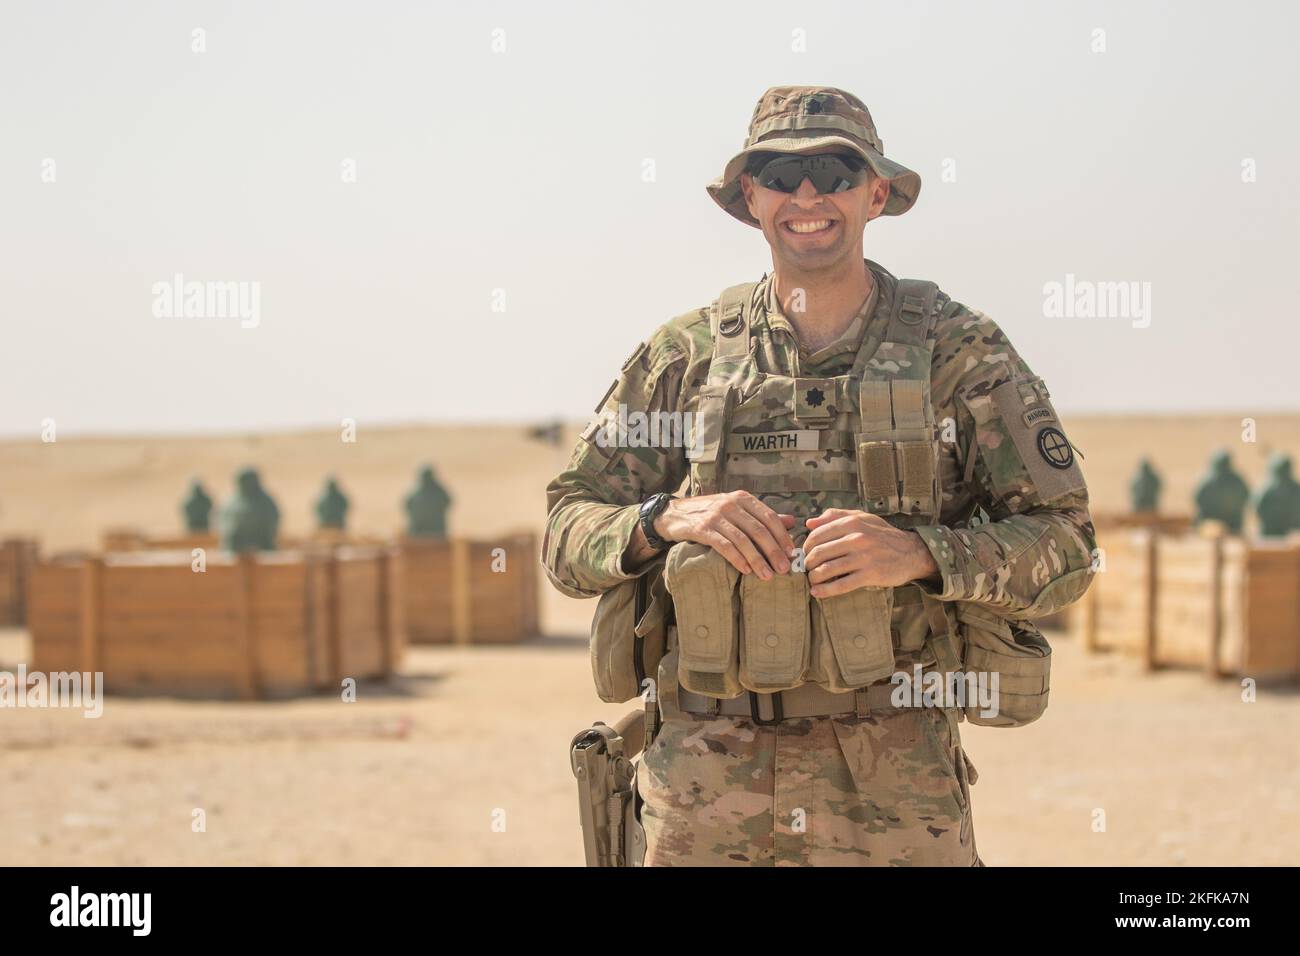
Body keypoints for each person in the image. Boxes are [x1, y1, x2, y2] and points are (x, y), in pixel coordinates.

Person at [545, 86, 1096, 866]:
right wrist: (664, 518)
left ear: (876, 192)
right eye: (778, 172)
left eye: (834, 171)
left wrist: (925, 555)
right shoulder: (686, 358)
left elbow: (1068, 544)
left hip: (894, 792)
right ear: (750, 197)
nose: (807, 195)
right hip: (704, 789)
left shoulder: (958, 353)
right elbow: (566, 526)